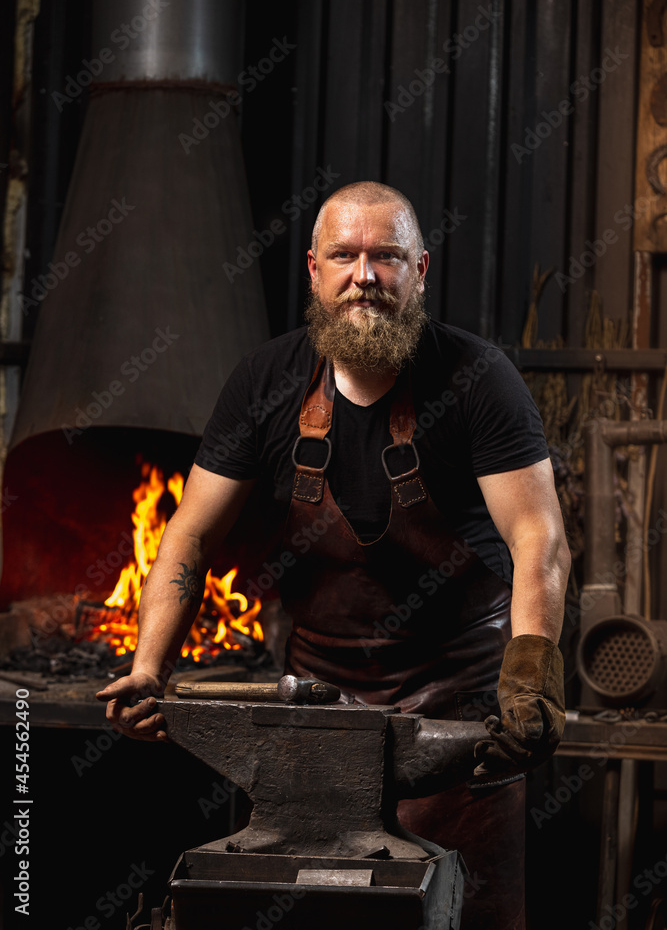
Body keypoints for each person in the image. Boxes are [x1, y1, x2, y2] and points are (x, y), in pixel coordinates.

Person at [98, 181, 570, 930]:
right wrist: (151, 666)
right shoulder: (265, 382)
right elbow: (189, 535)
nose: (364, 276)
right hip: (315, 721)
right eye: (344, 256)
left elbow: (537, 537)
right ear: (313, 270)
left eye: (385, 256)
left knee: (470, 915)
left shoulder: (480, 380)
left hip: (459, 713)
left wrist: (532, 678)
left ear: (419, 268)